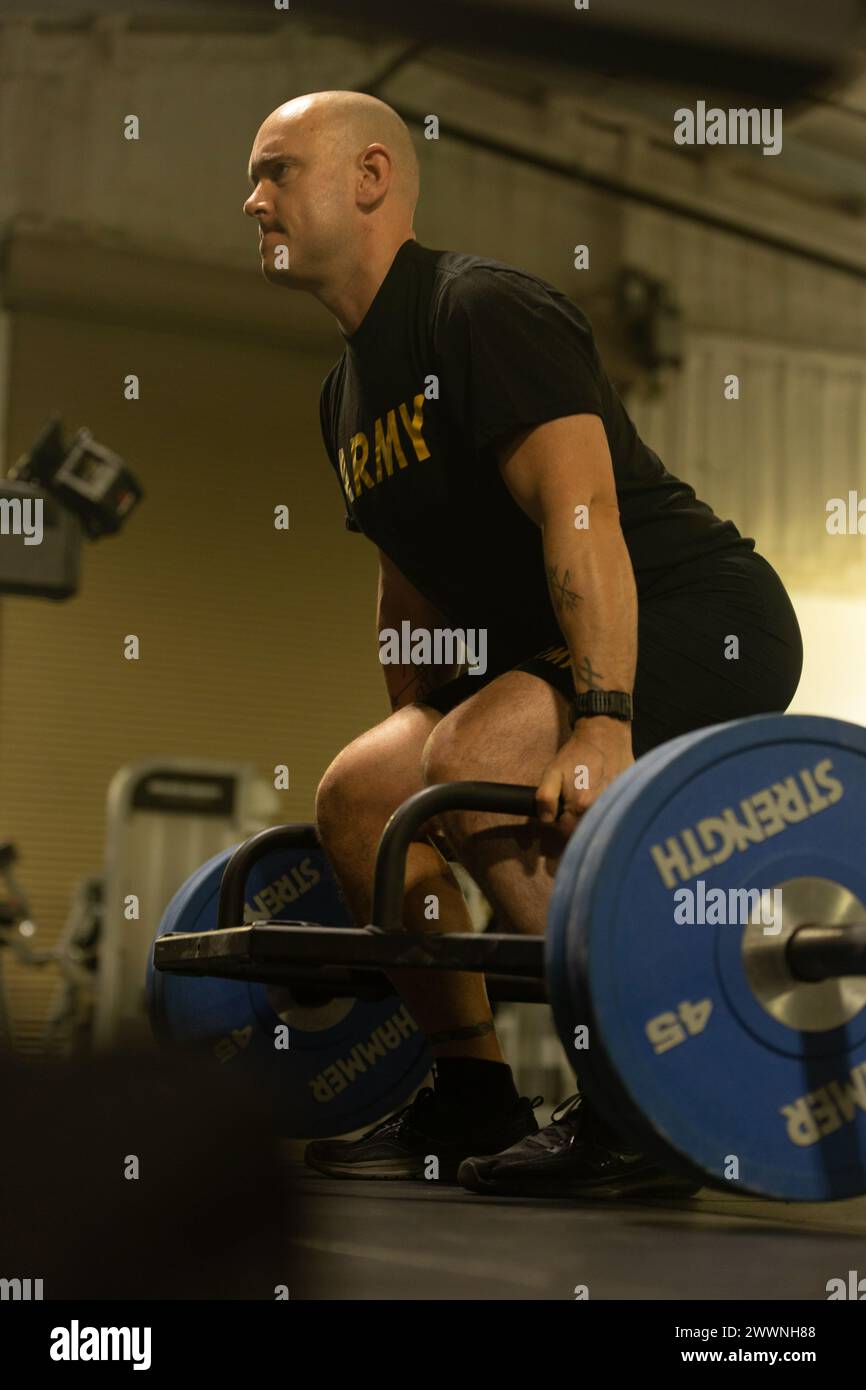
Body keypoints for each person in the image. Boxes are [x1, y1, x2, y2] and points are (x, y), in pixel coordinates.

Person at [243, 91, 803, 1197]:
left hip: (695, 617)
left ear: (368, 177)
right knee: (362, 797)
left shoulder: (479, 310)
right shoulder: (342, 392)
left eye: (275, 172)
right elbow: (403, 573)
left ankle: (645, 1105)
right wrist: (411, 714)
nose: (251, 200)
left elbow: (580, 513)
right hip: (545, 655)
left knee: (476, 759)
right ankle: (470, 1092)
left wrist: (601, 717)